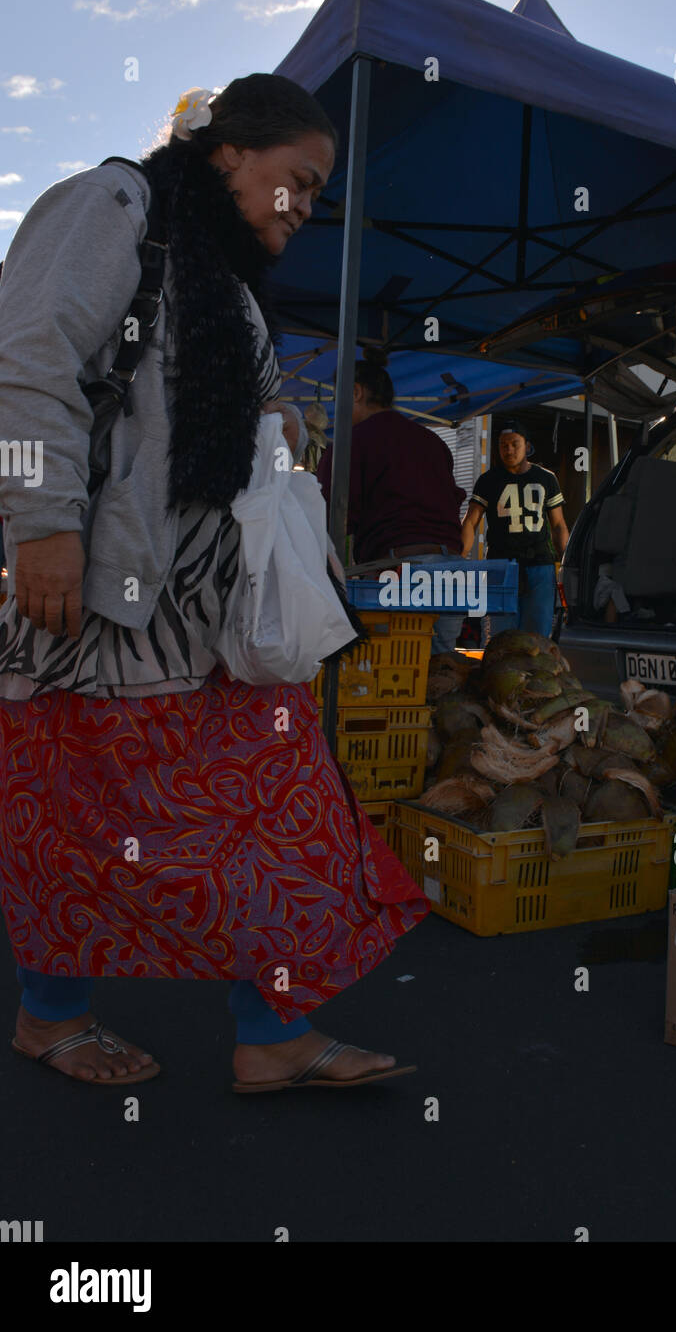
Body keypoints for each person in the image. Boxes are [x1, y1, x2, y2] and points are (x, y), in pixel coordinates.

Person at [0, 74, 429, 1092]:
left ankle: (272, 1028)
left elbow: (262, 406)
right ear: (229, 152)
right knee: (82, 816)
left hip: (205, 612)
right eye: (300, 181)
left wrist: (279, 425)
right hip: (95, 600)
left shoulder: (225, 281)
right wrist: (43, 525)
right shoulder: (117, 206)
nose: (306, 207)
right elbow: (25, 360)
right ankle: (51, 1017)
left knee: (286, 805)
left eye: (317, 194)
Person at [317, 349, 467, 654]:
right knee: (441, 674)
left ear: (355, 392)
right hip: (452, 569)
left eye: (337, 396)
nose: (335, 407)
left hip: (402, 570)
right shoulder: (433, 442)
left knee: (398, 666)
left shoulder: (352, 441)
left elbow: (329, 515)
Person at [461, 420, 569, 639]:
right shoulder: (488, 480)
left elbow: (558, 525)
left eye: (514, 444)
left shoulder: (546, 478)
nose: (508, 449)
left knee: (538, 636)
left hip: (539, 565)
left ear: (527, 446)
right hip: (501, 565)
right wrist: (460, 556)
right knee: (500, 636)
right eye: (503, 445)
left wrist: (566, 564)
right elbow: (471, 520)